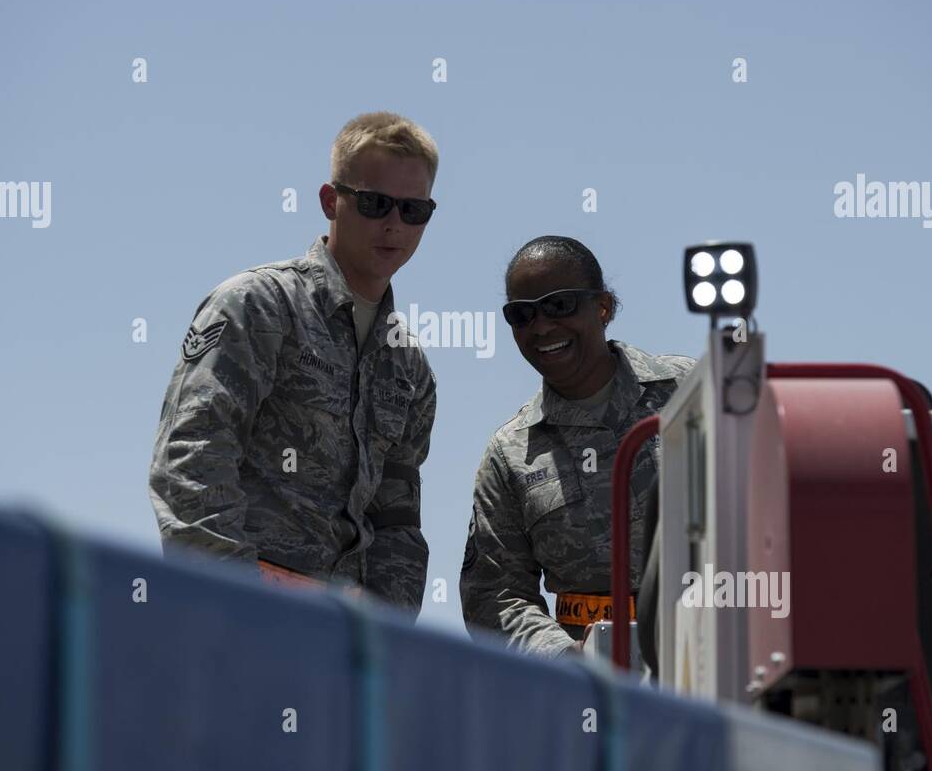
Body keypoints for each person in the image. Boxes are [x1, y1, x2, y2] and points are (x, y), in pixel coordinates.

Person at [148, 112, 439, 614]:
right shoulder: (258, 307)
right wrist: (238, 604)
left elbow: (396, 521)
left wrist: (386, 637)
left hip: (343, 644)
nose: (394, 224)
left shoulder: (409, 369)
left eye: (414, 211)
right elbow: (192, 459)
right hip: (239, 616)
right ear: (331, 201)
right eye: (374, 204)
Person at [460, 236, 695, 654]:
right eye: (522, 315)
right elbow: (494, 594)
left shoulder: (692, 393)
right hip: (596, 692)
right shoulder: (510, 453)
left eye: (560, 305)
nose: (542, 327)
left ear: (602, 308)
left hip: (712, 657)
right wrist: (567, 658)